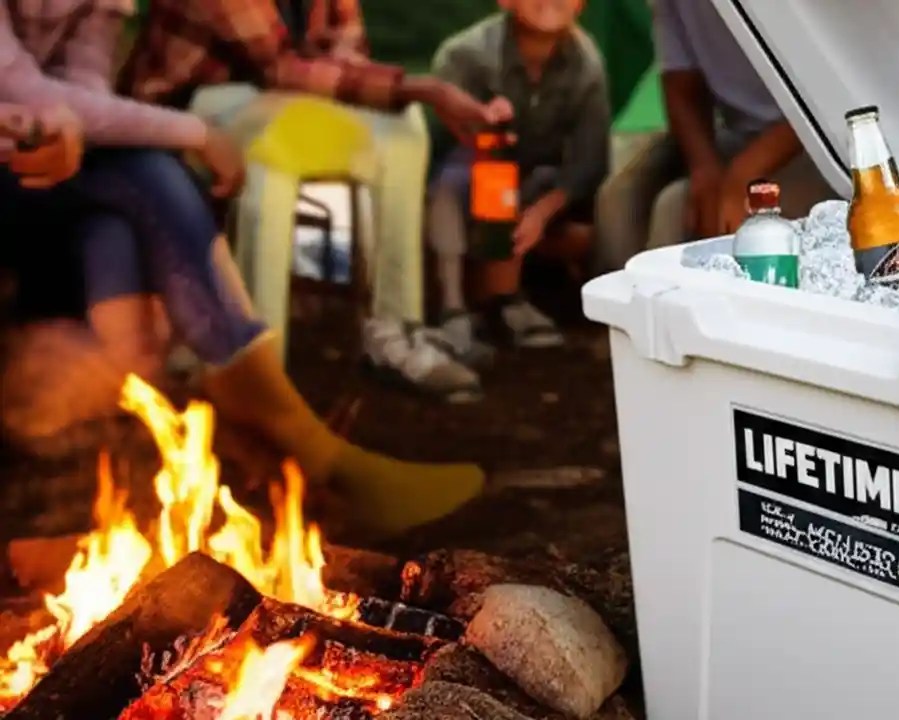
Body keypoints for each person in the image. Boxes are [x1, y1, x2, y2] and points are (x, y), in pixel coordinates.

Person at [0, 1, 484, 537]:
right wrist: (195, 133)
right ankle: (299, 441)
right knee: (148, 174)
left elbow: (79, 89)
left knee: (116, 218)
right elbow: (28, 91)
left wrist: (60, 127)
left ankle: (117, 474)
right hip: (118, 135)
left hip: (64, 152)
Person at [118, 0, 513, 398]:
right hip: (182, 118)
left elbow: (347, 54)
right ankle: (258, 360)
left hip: (280, 95)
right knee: (278, 147)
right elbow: (279, 66)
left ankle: (395, 330)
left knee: (404, 127)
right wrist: (423, 88)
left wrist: (409, 95)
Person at [593, 0, 836, 271]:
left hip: (815, 143)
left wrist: (739, 178)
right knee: (618, 199)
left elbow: (830, 95)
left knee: (672, 210)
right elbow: (680, 82)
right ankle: (619, 305)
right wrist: (704, 170)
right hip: (734, 133)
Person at [427, 0, 609, 352]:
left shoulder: (586, 64)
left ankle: (507, 298)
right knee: (465, 178)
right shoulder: (466, 55)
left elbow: (589, 159)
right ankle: (452, 308)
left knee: (568, 206)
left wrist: (542, 212)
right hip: (469, 184)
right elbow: (443, 140)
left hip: (534, 186)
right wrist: (483, 124)